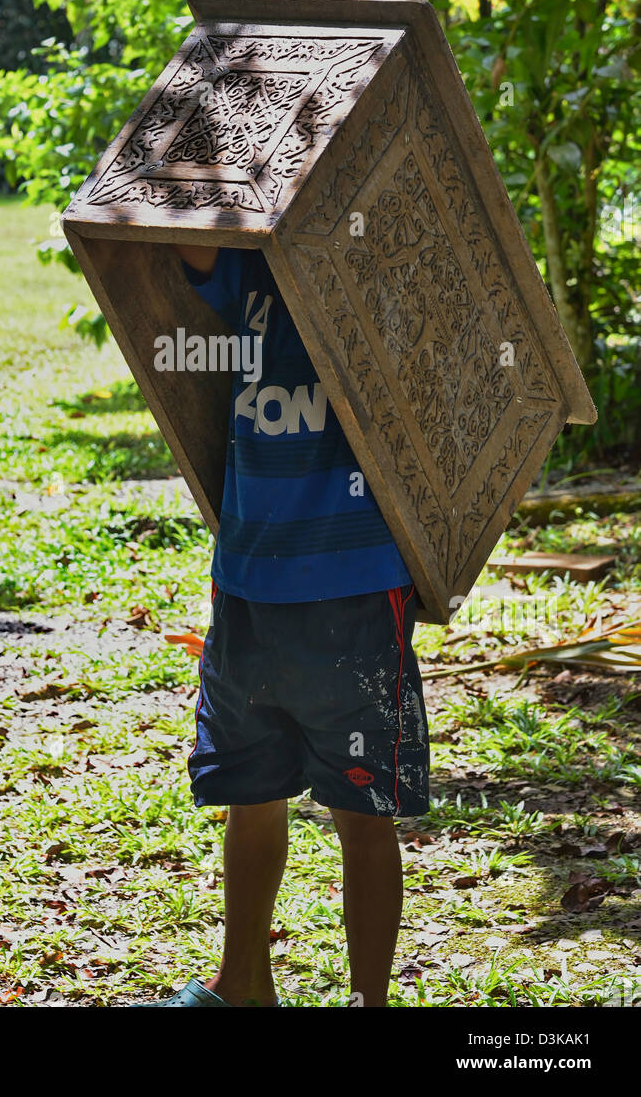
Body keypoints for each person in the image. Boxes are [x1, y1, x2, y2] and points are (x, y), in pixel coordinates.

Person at [148, 243, 430, 1009]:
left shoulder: (389, 272)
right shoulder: (255, 268)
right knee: (250, 788)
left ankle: (369, 1002)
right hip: (249, 582)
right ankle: (242, 985)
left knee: (362, 808)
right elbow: (193, 235)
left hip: (356, 589)